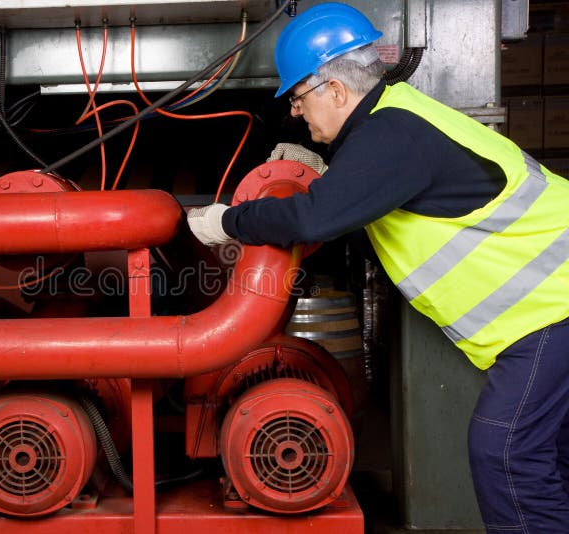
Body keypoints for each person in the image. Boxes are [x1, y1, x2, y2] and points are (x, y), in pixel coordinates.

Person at [187, 2, 569, 532]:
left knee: (504, 452)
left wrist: (226, 222)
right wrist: (332, 174)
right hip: (546, 312)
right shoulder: (394, 123)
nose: (296, 113)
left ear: (335, 91)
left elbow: (315, 218)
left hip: (553, 312)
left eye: (298, 98)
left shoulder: (392, 135)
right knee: (548, 460)